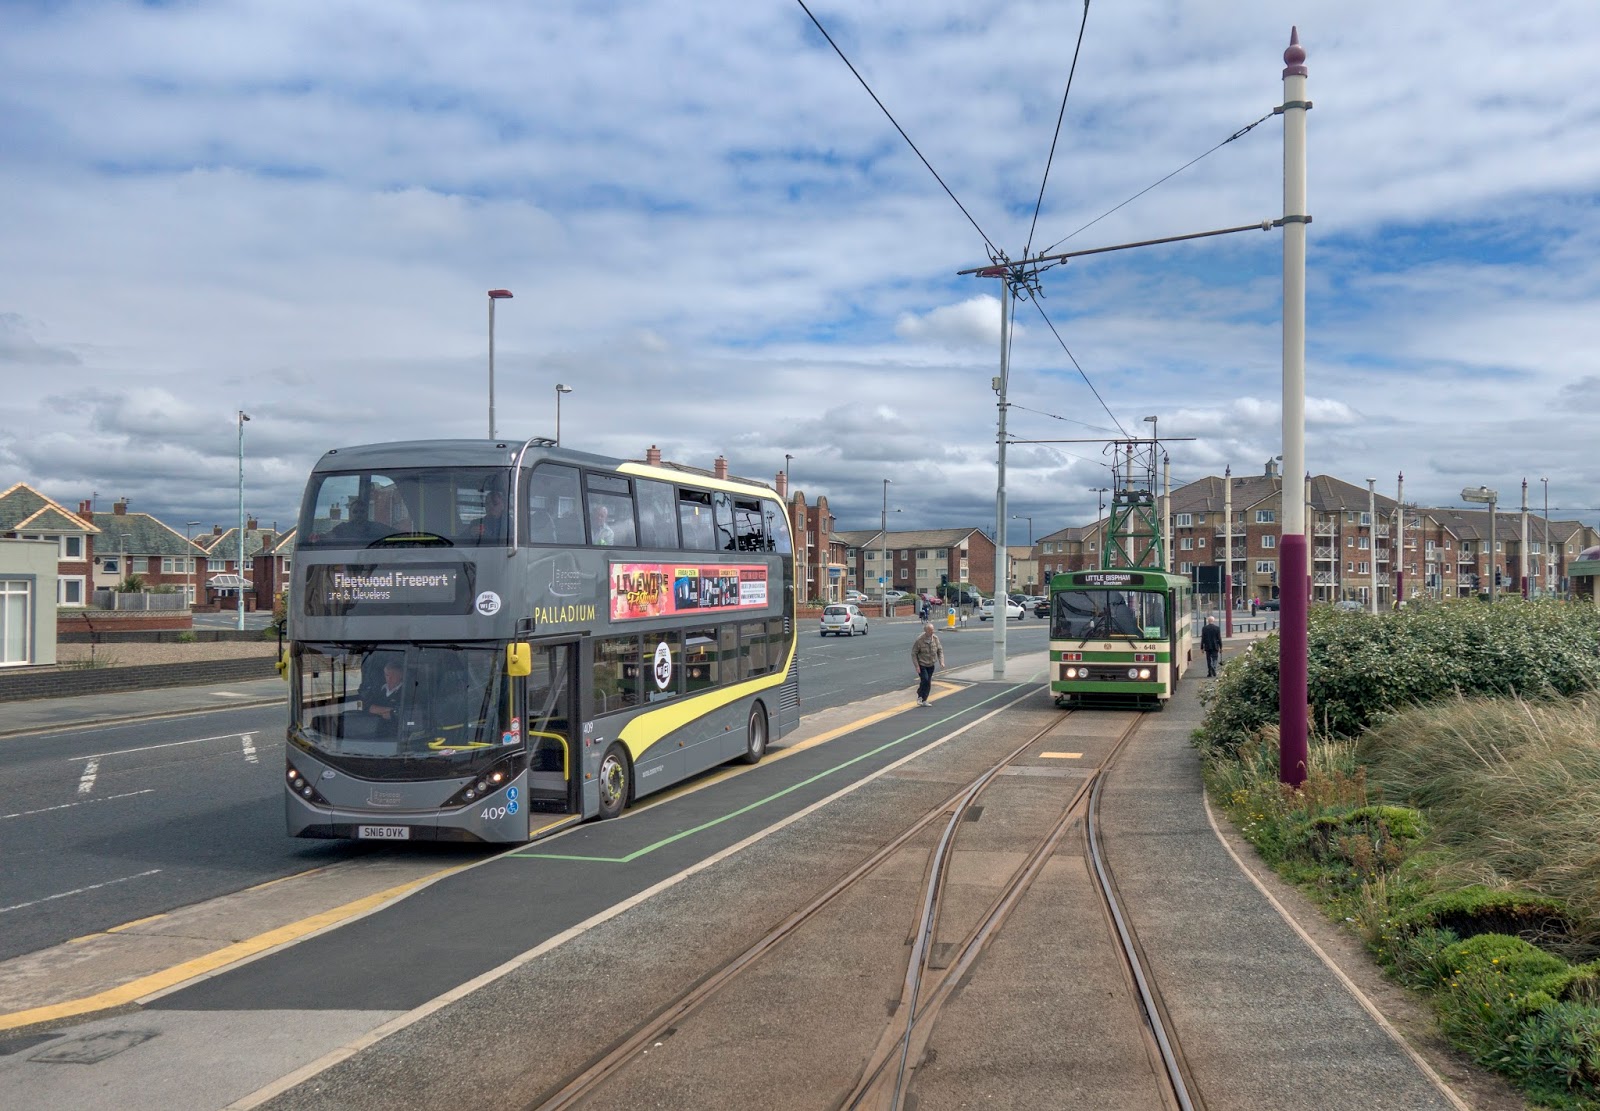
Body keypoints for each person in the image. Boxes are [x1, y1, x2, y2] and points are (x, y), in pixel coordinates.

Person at [363, 658, 406, 730]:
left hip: (396, 733)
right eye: (387, 675)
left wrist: (379, 710)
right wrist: (391, 711)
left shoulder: (406, 691)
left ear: (401, 675)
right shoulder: (378, 689)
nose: (390, 678)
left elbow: (403, 713)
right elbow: (368, 708)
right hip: (375, 729)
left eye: (393, 675)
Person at [911, 621, 944, 707]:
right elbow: (914, 653)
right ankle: (920, 695)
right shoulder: (919, 640)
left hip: (931, 664)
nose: (932, 632)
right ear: (926, 631)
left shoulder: (935, 639)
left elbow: (939, 650)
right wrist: (917, 666)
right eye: (930, 630)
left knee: (928, 682)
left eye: (933, 630)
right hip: (922, 664)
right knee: (925, 679)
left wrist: (941, 662)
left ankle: (924, 700)